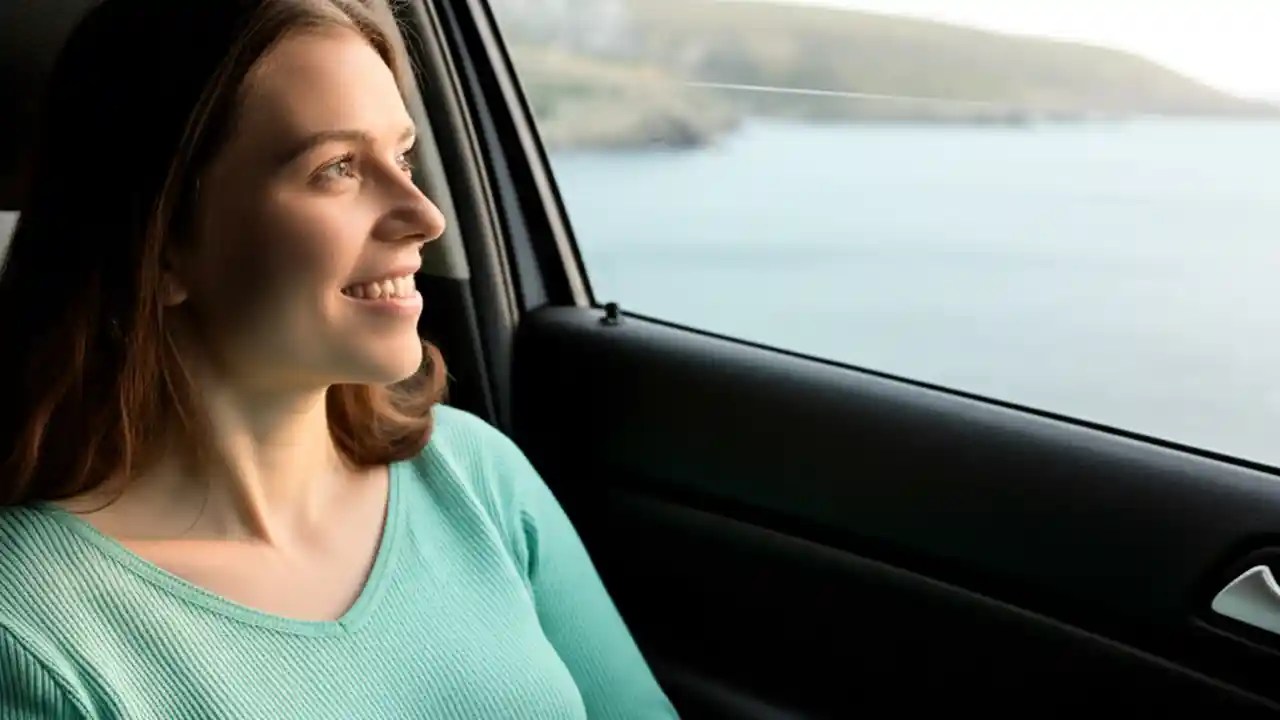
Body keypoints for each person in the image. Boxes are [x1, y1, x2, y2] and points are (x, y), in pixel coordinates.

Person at [0, 0, 678, 717]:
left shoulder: (476, 476)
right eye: (338, 168)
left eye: (403, 155)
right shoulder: (32, 631)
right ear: (161, 242)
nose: (426, 216)